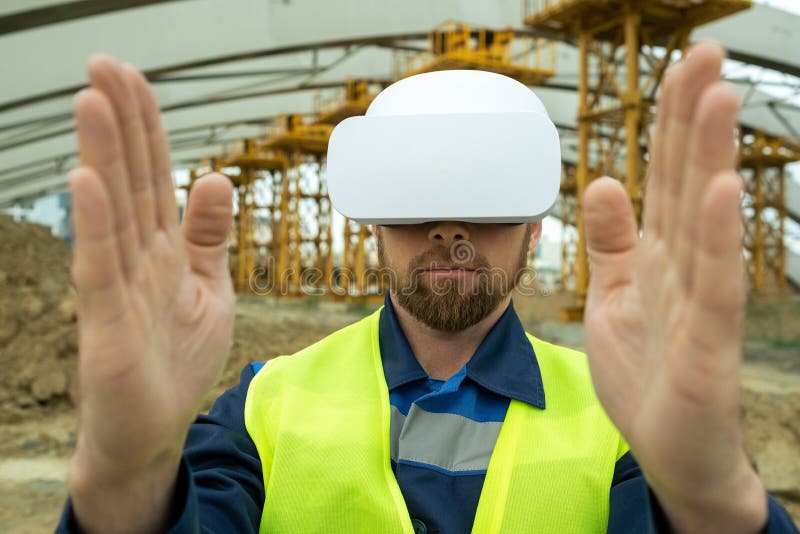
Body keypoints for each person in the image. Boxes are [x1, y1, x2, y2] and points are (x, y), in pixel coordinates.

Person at [57, 42, 798, 533]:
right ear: (374, 226)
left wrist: (712, 502)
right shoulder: (262, 406)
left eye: (487, 198)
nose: (451, 231)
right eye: (415, 203)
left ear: (538, 228)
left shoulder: (625, 418)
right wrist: (127, 487)